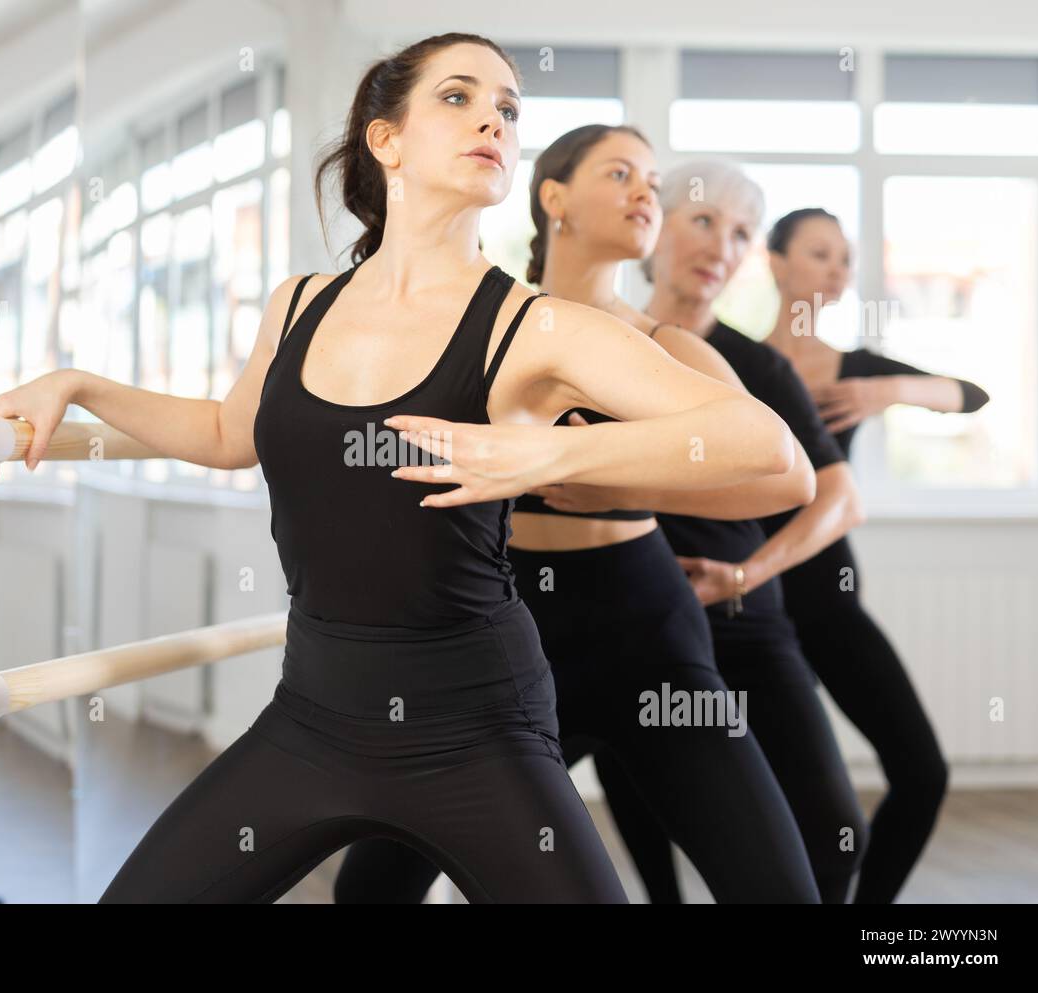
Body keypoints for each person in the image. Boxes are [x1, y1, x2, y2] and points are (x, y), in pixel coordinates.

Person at [0, 35, 797, 903]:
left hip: (478, 729)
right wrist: (79, 384)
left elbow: (763, 444)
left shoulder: (533, 325)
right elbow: (227, 431)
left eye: (509, 107)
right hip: (312, 719)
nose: (493, 116)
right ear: (387, 139)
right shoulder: (298, 303)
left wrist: (554, 449)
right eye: (458, 97)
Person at [332, 124, 821, 904]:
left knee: (780, 891)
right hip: (506, 636)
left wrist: (625, 487)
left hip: (646, 630)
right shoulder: (483, 324)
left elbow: (788, 479)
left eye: (653, 185)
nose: (644, 195)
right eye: (620, 174)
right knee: (373, 889)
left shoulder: (666, 346)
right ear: (553, 197)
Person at [588, 161, 869, 903]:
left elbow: (838, 497)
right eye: (704, 221)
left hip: (746, 625)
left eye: (741, 233)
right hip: (634, 623)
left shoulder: (759, 367)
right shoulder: (594, 346)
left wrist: (744, 575)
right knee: (654, 849)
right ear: (655, 228)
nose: (721, 245)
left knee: (835, 832)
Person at [760, 206, 989, 902]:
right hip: (746, 607)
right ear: (775, 263)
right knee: (768, 796)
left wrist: (882, 389)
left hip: (828, 598)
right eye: (819, 253)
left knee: (924, 772)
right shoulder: (732, 358)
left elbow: (969, 396)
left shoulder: (854, 370)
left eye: (845, 258)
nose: (837, 270)